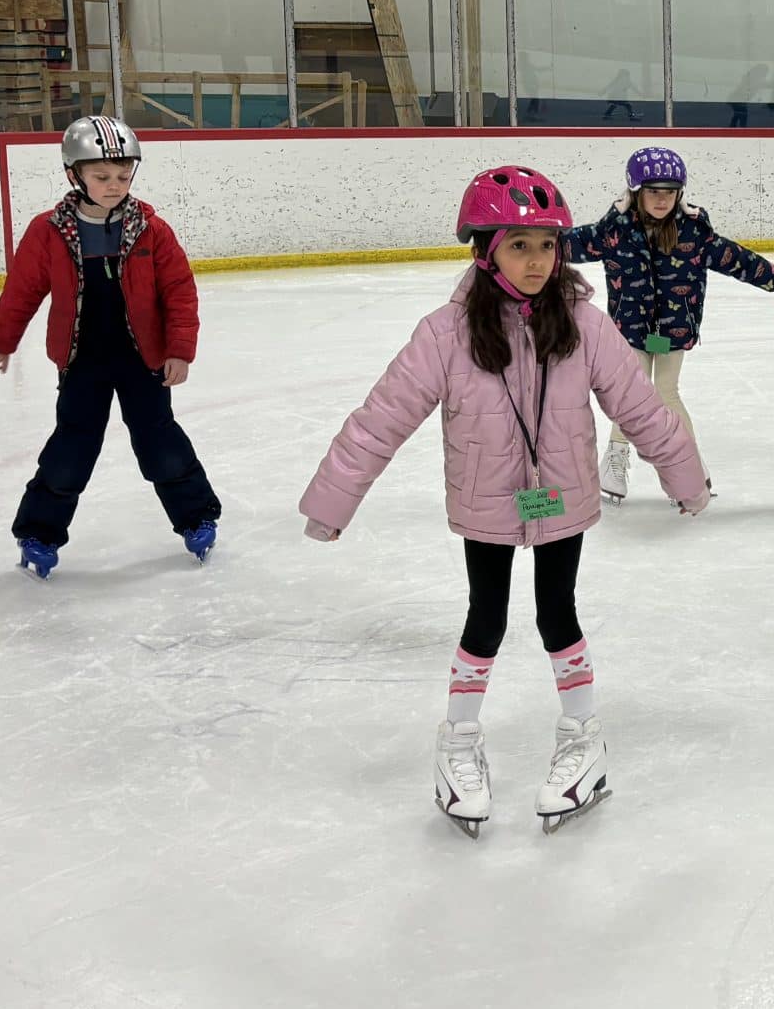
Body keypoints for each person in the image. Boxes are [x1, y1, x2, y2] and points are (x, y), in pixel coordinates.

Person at [299, 167, 707, 837]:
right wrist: (334, 502)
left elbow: (639, 403)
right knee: (483, 618)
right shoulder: (447, 332)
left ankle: (583, 732)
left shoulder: (583, 323)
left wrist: (684, 477)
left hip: (561, 499)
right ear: (484, 250)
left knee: (558, 614)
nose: (537, 261)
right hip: (488, 499)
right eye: (519, 246)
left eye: (547, 246)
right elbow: (382, 418)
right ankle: (458, 738)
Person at [0, 116, 220, 579]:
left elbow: (179, 292)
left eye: (123, 175)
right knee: (71, 449)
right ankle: (38, 532)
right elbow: (21, 293)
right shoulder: (48, 231)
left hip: (144, 360)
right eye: (102, 176)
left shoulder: (151, 229)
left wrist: (180, 350)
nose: (115, 185)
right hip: (82, 361)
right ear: (74, 175)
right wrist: (1, 343)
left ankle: (196, 518)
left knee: (160, 443)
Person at [562, 146, 774, 501]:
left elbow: (737, 260)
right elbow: (562, 245)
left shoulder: (694, 232)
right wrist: (513, 241)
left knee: (667, 393)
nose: (662, 199)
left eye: (669, 192)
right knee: (629, 397)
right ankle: (616, 461)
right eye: (654, 191)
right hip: (630, 331)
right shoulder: (614, 231)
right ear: (635, 191)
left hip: (672, 331)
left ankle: (689, 466)